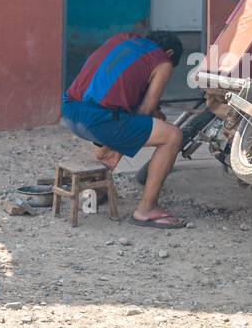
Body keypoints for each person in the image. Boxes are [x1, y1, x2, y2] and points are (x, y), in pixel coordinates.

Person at [62, 31, 188, 229]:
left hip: (70, 112)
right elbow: (146, 110)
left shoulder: (122, 40)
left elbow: (115, 87)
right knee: (172, 136)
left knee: (125, 123)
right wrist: (156, 122)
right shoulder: (162, 61)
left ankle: (97, 190)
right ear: (169, 53)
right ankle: (146, 209)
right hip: (98, 121)